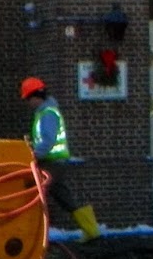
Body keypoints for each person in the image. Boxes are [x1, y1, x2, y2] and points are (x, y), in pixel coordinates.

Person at [20, 76, 101, 241]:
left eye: (28, 99)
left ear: (36, 97)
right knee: (63, 197)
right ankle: (91, 229)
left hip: (51, 163)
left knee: (32, 191)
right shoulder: (46, 111)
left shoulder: (47, 113)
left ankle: (30, 233)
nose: (28, 103)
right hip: (56, 163)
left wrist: (33, 154)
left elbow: (48, 140)